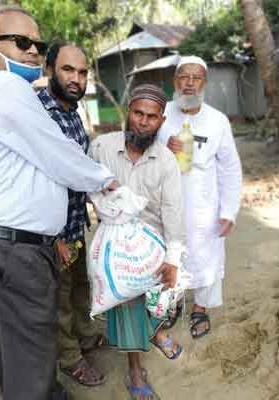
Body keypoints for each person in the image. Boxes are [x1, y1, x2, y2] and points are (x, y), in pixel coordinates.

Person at [0, 6, 117, 400]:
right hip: (15, 248)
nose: (32, 51)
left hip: (13, 242)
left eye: (37, 43)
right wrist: (107, 180)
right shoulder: (8, 90)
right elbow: (58, 155)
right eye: (21, 43)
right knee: (32, 345)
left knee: (23, 346)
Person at [89, 84, 184, 400]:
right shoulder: (102, 147)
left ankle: (157, 332)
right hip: (116, 248)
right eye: (138, 113)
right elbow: (83, 185)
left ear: (161, 119)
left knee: (158, 298)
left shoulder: (166, 160)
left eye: (151, 117)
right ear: (127, 112)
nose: (143, 122)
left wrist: (172, 258)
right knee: (128, 305)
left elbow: (172, 211)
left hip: (153, 246)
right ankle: (135, 369)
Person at [157, 55, 242, 339]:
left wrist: (228, 211)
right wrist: (161, 146)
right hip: (165, 205)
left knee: (205, 260)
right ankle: (174, 302)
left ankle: (200, 310)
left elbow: (230, 168)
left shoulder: (217, 121)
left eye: (196, 78)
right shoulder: (161, 114)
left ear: (204, 83)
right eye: (184, 77)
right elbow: (138, 148)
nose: (189, 84)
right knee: (169, 255)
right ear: (175, 81)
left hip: (204, 207)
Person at [38, 42, 106, 386]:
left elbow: (80, 169)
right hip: (55, 232)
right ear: (49, 69)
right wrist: (56, 238)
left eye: (82, 72)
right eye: (68, 70)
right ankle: (69, 358)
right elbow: (39, 180)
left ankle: (87, 334)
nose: (76, 79)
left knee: (81, 285)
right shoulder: (39, 115)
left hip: (76, 223)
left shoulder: (71, 111)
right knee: (60, 298)